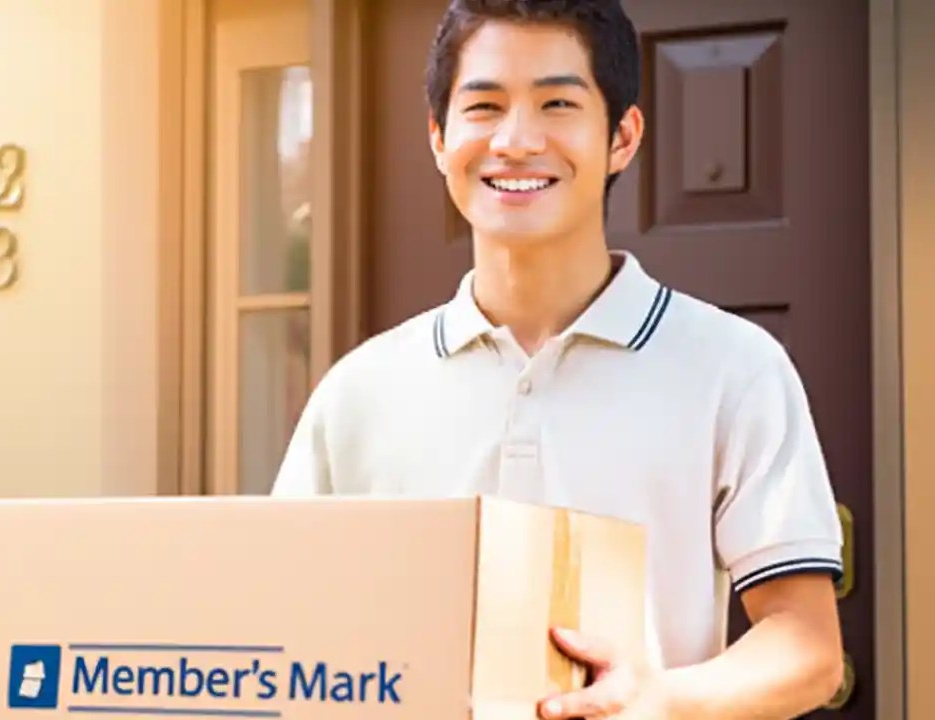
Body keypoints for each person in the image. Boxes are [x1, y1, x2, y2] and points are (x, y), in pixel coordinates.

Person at [269, 0, 845, 717]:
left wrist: (658, 701)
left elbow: (808, 648)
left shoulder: (735, 368)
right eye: (484, 106)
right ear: (439, 138)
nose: (515, 141)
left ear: (622, 137)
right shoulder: (357, 392)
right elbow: (284, 625)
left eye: (557, 104)